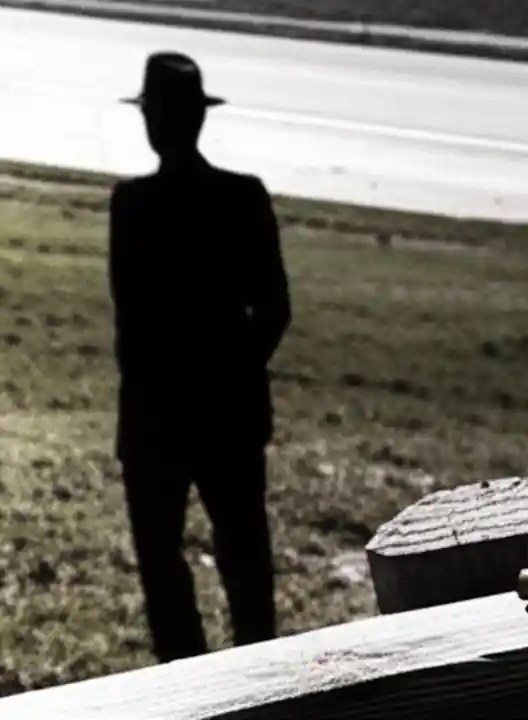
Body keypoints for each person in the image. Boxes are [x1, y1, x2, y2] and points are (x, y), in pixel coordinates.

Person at [108, 51, 291, 662]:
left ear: (154, 122)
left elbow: (129, 321)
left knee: (162, 561)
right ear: (199, 120)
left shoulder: (131, 205)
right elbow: (273, 310)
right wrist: (231, 371)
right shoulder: (242, 197)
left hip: (154, 414)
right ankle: (259, 676)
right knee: (244, 558)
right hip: (229, 410)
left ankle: (185, 680)